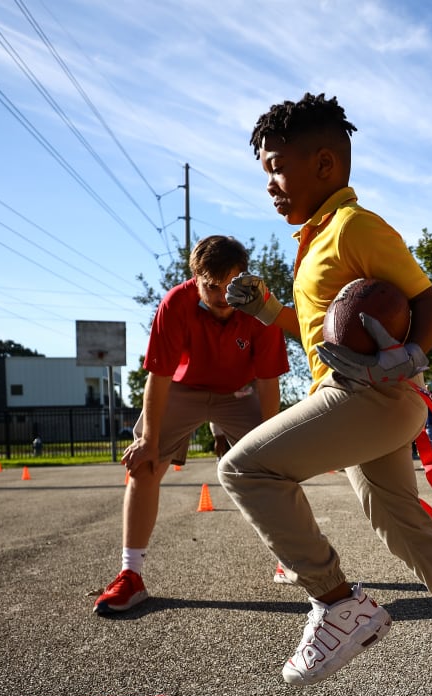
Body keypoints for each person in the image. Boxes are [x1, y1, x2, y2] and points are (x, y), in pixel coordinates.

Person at [217, 93, 432, 696]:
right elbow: (322, 335)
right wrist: (266, 310)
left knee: (245, 467)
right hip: (357, 396)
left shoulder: (355, 227)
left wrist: (412, 352)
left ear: (324, 164)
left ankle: (338, 603)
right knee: (403, 530)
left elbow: (429, 303)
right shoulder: (315, 241)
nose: (270, 185)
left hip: (369, 396)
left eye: (276, 168)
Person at [96, 235, 289, 615]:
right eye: (211, 286)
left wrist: (273, 445)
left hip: (238, 391)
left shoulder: (260, 306)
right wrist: (149, 439)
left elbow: (268, 381)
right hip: (183, 389)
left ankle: (292, 557)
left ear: (244, 277)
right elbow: (159, 376)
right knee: (144, 464)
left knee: (278, 468)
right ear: (195, 278)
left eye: (228, 286)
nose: (220, 296)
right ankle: (131, 575)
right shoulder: (176, 303)